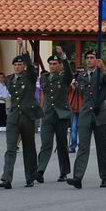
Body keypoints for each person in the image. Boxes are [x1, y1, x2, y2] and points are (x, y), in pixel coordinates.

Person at [67, 51, 106, 189]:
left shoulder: (101, 74)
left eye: (92, 58)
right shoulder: (81, 77)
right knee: (83, 146)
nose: (89, 60)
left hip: (99, 112)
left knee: (101, 146)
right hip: (85, 114)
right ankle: (77, 177)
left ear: (97, 60)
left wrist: (104, 69)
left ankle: (105, 177)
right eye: (87, 58)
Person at [0, 48, 40, 189]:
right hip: (13, 117)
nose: (17, 67)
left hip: (27, 117)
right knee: (11, 147)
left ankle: (30, 177)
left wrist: (26, 55)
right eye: (15, 65)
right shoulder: (10, 79)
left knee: (29, 148)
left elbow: (32, 69)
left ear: (23, 67)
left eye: (19, 65)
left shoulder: (29, 77)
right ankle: (7, 178)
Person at [37, 46, 73, 183]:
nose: (52, 66)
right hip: (47, 115)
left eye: (55, 64)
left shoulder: (64, 78)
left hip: (61, 115)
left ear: (60, 65)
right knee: (46, 143)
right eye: (50, 64)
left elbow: (69, 73)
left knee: (62, 144)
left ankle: (64, 172)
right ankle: (40, 171)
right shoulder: (44, 78)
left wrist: (63, 56)